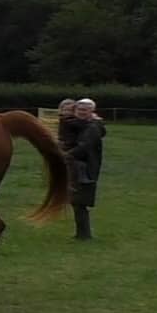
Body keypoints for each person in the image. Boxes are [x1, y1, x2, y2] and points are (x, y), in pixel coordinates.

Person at [68, 98, 107, 240]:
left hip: (85, 169)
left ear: (92, 112)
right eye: (79, 110)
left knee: (79, 202)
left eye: (85, 110)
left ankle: (84, 234)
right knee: (77, 201)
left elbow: (84, 147)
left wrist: (66, 155)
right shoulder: (88, 126)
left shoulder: (92, 128)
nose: (81, 112)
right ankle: (82, 233)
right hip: (82, 168)